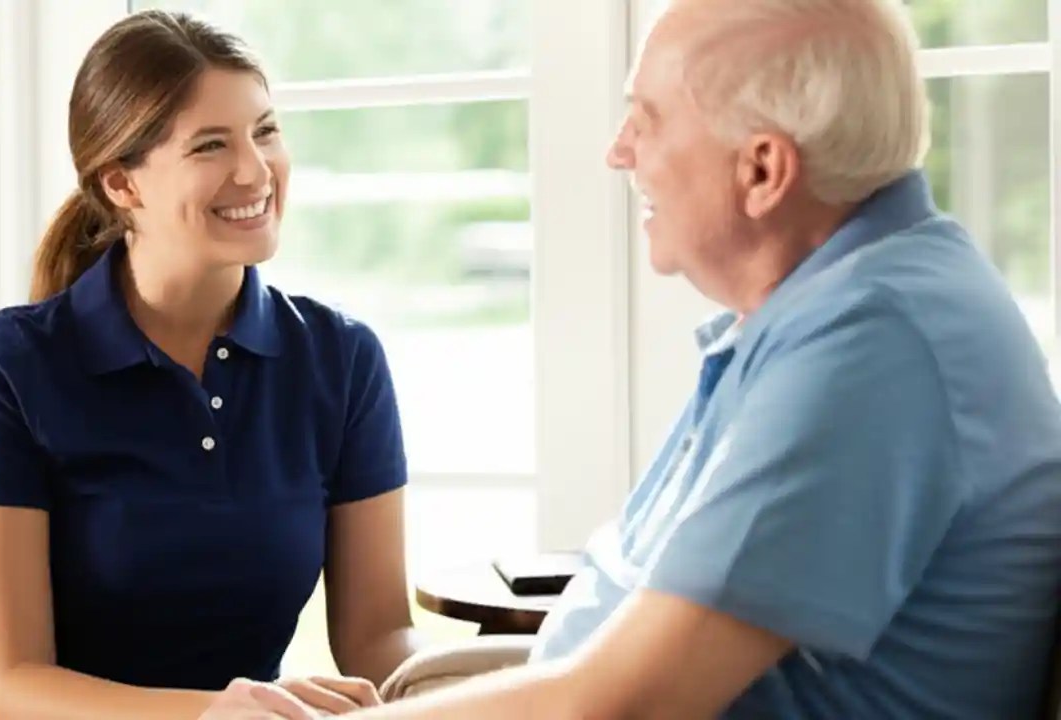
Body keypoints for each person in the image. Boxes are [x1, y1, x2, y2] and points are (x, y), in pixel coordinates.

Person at [264, 0, 1061, 718]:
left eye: (646, 119)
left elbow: (620, 704)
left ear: (762, 169)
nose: (619, 152)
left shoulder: (872, 346)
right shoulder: (829, 310)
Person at [0, 10, 421, 719]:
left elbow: (378, 637)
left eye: (266, 131)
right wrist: (215, 714)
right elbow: (13, 685)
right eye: (211, 146)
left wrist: (484, 695)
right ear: (122, 184)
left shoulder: (342, 359)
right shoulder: (8, 369)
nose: (256, 170)